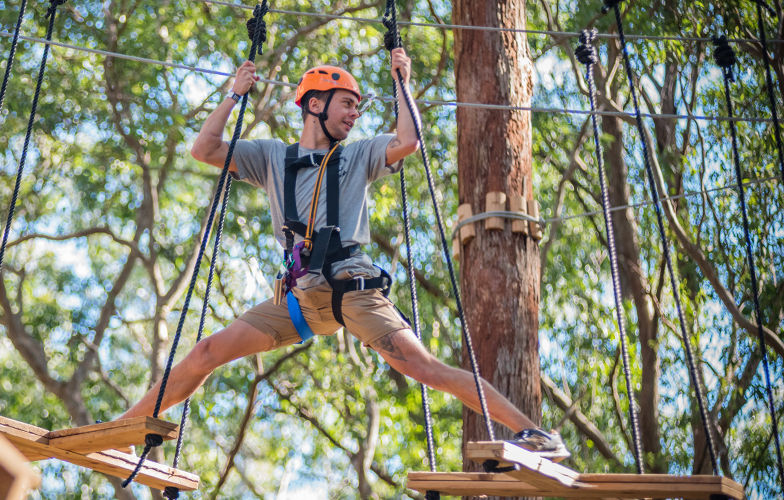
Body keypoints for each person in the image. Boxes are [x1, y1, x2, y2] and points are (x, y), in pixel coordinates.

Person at [118, 48, 568, 460]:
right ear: (315, 103)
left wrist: (402, 83)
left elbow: (408, 141)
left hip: (354, 289)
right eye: (347, 104)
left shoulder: (360, 156)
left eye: (357, 107)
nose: (355, 114)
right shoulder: (273, 157)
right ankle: (123, 429)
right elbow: (204, 150)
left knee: (426, 368)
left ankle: (537, 434)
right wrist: (234, 96)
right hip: (300, 299)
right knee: (206, 352)